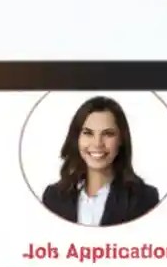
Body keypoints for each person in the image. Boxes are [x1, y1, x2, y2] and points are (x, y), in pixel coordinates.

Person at [41, 95, 160, 227]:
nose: (97, 143)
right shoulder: (53, 197)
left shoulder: (144, 199)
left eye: (108, 134)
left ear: (121, 140)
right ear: (77, 138)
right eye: (88, 133)